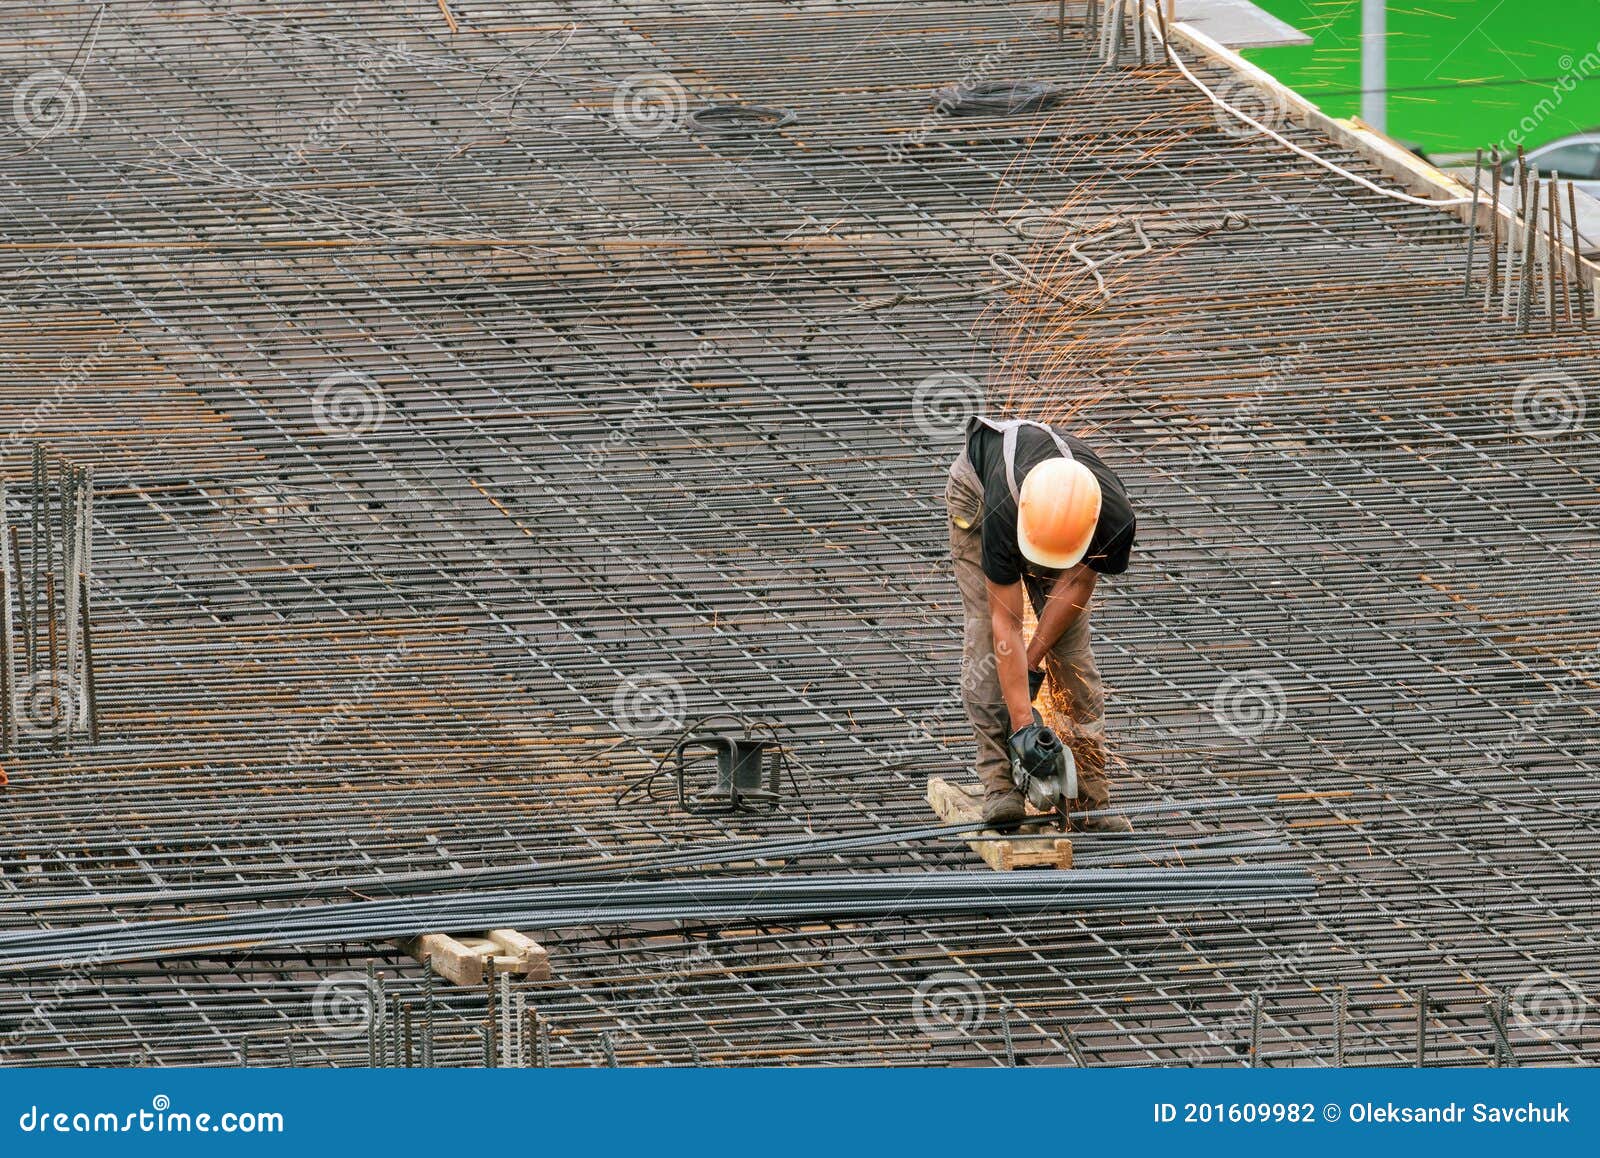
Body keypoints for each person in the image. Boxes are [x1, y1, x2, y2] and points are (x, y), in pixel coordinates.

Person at [945, 415, 1136, 830]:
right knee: (986, 643)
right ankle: (1000, 785)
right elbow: (1006, 622)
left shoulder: (1112, 518)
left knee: (1073, 656)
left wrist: (1032, 661)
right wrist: (1023, 727)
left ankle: (1087, 797)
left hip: (1059, 523)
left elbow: (1077, 581)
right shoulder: (1002, 512)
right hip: (978, 498)